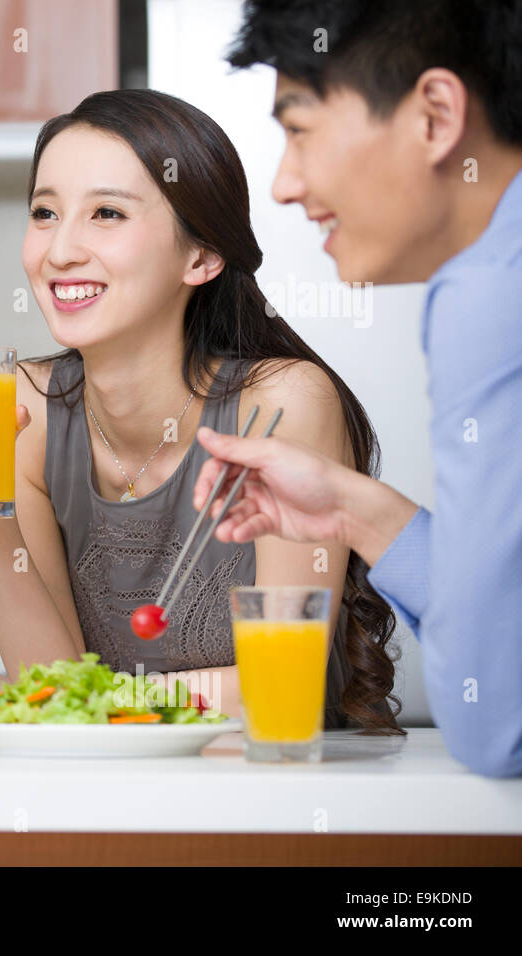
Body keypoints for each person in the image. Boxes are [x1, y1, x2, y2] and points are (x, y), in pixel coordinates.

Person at [0, 89, 404, 733]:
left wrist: (34, 698)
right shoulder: (24, 406)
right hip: (111, 794)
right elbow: (52, 691)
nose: (60, 250)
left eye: (106, 213)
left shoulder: (281, 406)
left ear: (202, 255)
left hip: (281, 788)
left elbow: (280, 688)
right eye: (44, 213)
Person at [192, 0, 522, 776]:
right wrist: (348, 510)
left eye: (299, 128)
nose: (282, 183)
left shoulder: (487, 295)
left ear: (436, 116)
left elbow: (495, 720)